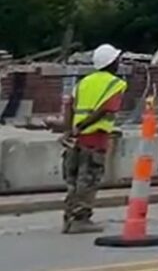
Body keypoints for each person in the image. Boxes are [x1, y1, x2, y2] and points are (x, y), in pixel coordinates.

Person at [60, 44, 128, 234]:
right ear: (111, 63)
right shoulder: (116, 84)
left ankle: (68, 217)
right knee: (88, 179)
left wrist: (69, 131)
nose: (118, 63)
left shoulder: (83, 82)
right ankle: (80, 220)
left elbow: (69, 107)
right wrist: (82, 126)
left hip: (76, 140)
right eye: (117, 60)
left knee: (73, 181)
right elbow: (106, 109)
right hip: (94, 138)